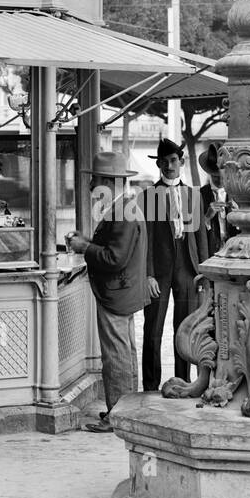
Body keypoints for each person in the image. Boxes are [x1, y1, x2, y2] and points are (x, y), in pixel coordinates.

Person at [66, 151, 150, 434]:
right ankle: (127, 410)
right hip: (123, 293)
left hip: (116, 294)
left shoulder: (123, 212)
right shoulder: (125, 207)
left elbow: (115, 258)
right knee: (125, 353)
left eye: (95, 181)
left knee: (116, 357)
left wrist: (83, 247)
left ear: (108, 181)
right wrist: (87, 242)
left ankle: (117, 415)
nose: (91, 188)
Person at [140, 138, 209, 392]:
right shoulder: (148, 196)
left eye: (173, 161)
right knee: (153, 330)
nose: (169, 166)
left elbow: (201, 237)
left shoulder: (194, 195)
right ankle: (150, 386)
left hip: (188, 270)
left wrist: (203, 274)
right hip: (158, 272)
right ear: (158, 164)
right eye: (164, 162)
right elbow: (144, 239)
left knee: (185, 329)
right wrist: (148, 275)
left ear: (181, 162)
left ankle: (183, 382)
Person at [198, 142, 236, 254]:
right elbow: (194, 234)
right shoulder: (199, 195)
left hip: (233, 250)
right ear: (209, 173)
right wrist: (207, 217)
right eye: (215, 176)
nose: (219, 180)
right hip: (210, 252)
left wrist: (238, 216)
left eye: (222, 176)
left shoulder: (236, 194)